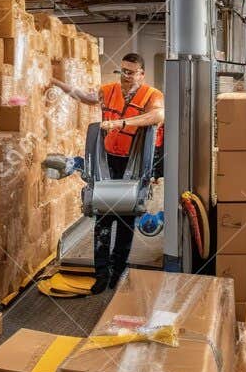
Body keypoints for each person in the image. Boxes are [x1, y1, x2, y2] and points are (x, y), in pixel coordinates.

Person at [49, 52, 164, 294]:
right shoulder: (109, 90)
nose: (125, 76)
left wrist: (121, 124)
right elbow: (86, 97)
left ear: (142, 74)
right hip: (108, 160)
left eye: (130, 72)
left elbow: (158, 115)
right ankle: (101, 273)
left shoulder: (152, 95)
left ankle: (118, 270)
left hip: (132, 164)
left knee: (126, 217)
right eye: (122, 71)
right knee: (102, 215)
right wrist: (57, 84)